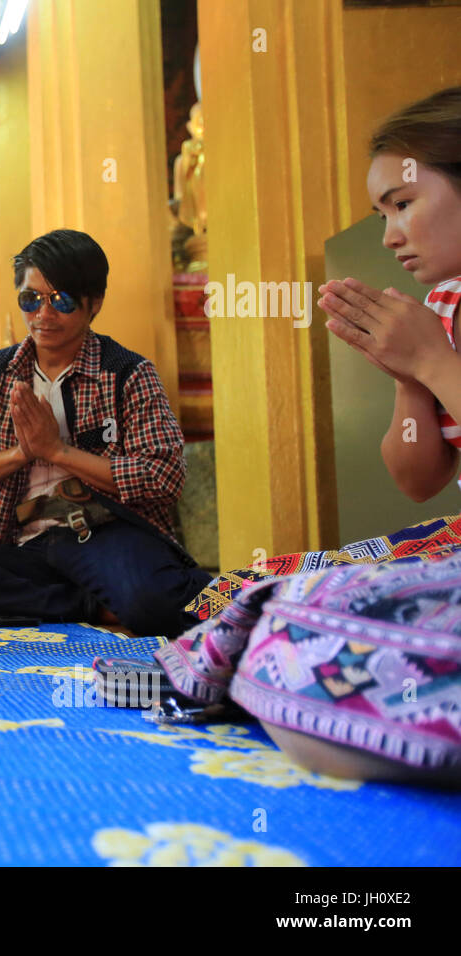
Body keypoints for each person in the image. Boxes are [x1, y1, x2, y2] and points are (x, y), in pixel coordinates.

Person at [154, 87, 461, 784]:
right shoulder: (443, 305)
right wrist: (410, 375)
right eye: (381, 214)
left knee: (301, 627)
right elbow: (418, 478)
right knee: (247, 587)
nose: (388, 236)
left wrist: (435, 362)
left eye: (404, 204)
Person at [0, 229, 211, 635]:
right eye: (31, 299)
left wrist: (59, 452)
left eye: (61, 300)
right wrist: (22, 453)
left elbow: (164, 476)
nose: (43, 315)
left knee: (161, 604)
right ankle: (93, 603)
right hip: (25, 545)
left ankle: (149, 593)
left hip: (104, 533)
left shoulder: (127, 373)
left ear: (93, 303)